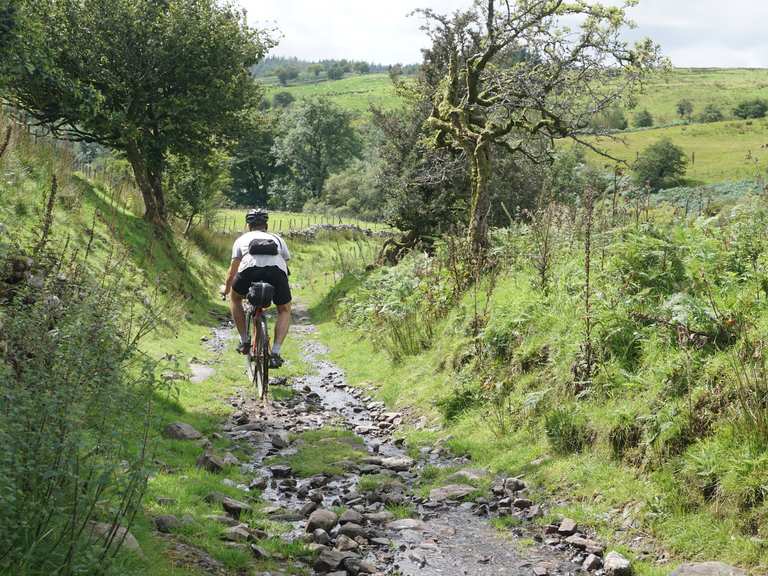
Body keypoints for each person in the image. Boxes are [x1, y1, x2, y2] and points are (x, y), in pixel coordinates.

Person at [223, 208, 291, 368]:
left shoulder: (241, 240)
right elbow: (285, 263)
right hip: (276, 270)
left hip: (249, 269)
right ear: (266, 225)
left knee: (235, 299)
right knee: (284, 310)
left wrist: (227, 289)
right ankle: (275, 352)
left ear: (248, 225)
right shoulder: (277, 239)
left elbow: (233, 270)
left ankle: (244, 341)